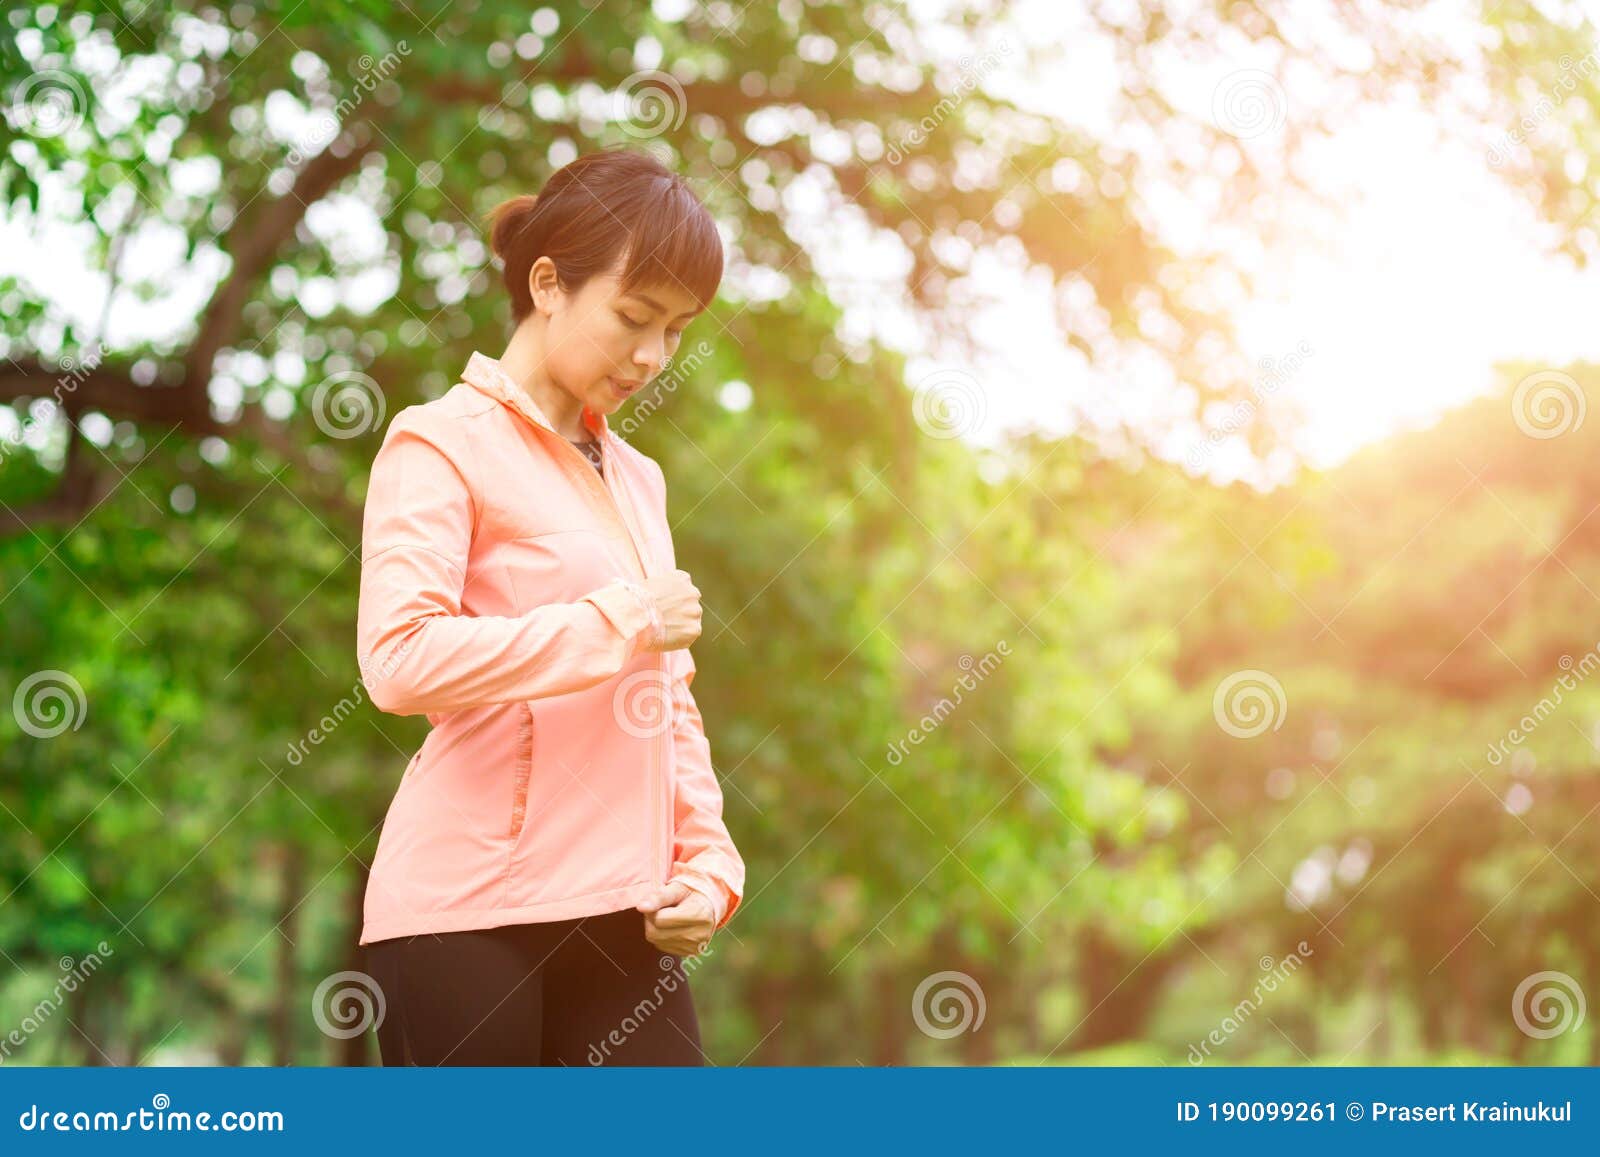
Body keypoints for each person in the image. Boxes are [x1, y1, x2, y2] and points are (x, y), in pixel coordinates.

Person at [355, 147, 745, 1065]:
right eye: (634, 317)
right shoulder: (438, 443)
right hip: (466, 913)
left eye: (677, 331)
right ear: (548, 284)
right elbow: (399, 659)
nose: (651, 356)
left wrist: (709, 865)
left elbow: (667, 699)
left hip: (621, 909)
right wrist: (615, 620)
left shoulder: (639, 479)